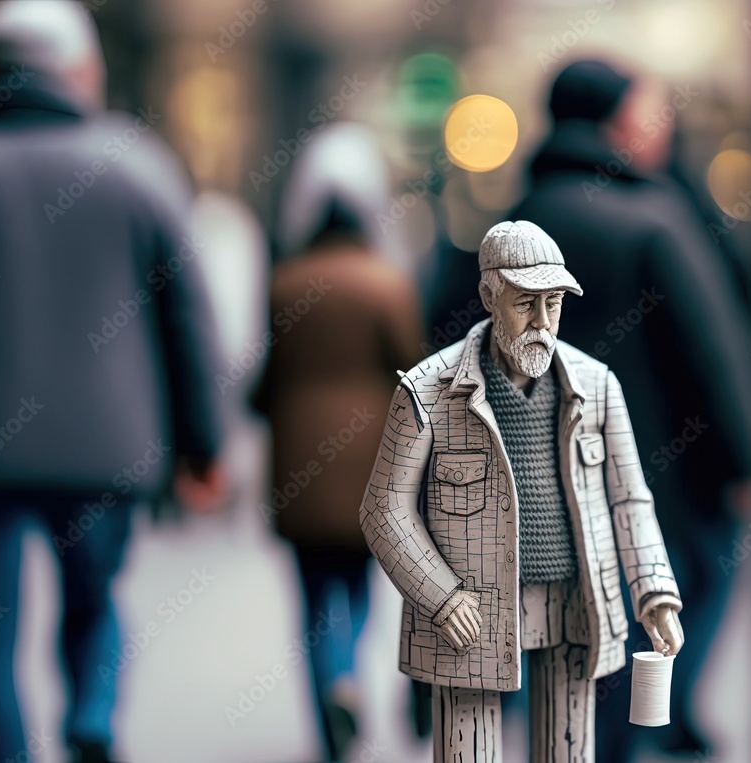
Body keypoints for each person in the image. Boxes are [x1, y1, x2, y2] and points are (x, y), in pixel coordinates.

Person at [0, 3, 224, 762]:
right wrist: (205, 443)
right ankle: (92, 714)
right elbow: (189, 319)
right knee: (94, 603)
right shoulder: (139, 163)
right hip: (108, 449)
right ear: (80, 71)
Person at [360, 221, 684, 763]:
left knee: (568, 750)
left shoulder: (598, 386)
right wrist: (440, 594)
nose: (541, 322)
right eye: (524, 303)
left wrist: (653, 591)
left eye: (552, 303)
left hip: (575, 604)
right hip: (469, 613)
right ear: (489, 296)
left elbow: (631, 498)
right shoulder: (425, 392)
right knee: (467, 750)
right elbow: (384, 508)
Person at [509, 60, 751, 759]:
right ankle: (662, 724)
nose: (664, 125)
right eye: (650, 110)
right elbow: (713, 353)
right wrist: (744, 461)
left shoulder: (513, 222)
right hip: (654, 489)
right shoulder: (656, 218)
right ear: (614, 121)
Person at [258, 123, 425, 761]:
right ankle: (351, 673)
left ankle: (331, 681)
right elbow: (412, 367)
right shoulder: (388, 283)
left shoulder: (286, 281)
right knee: (358, 581)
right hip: (370, 458)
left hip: (298, 460)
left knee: (310, 587)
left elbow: (264, 378)